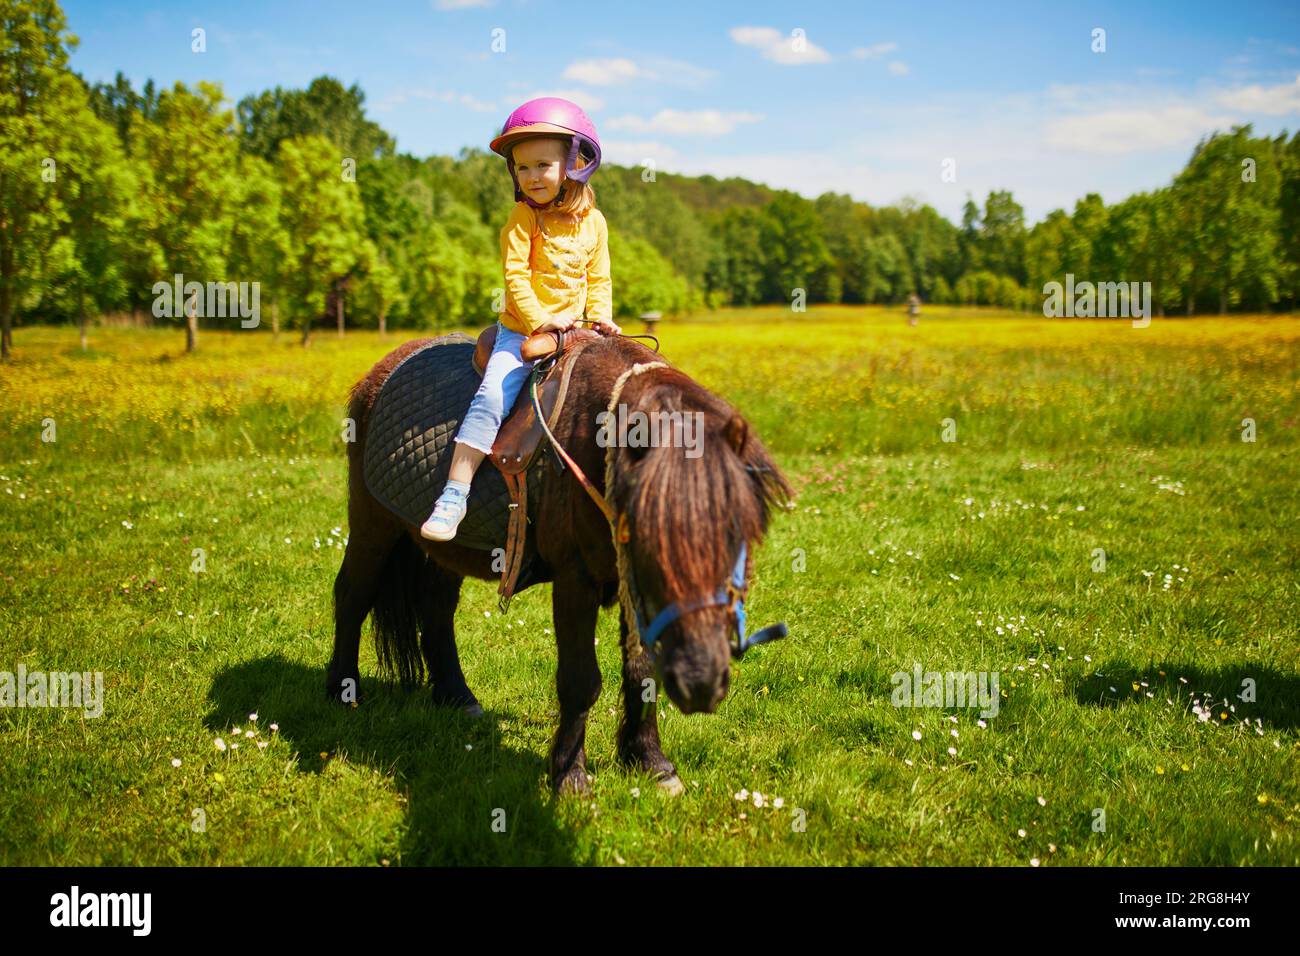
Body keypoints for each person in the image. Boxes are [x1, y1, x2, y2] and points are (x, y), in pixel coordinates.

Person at [421, 97, 621, 542]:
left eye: (542, 165)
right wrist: (540, 322)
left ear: (576, 163)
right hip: (521, 331)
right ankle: (455, 493)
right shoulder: (523, 216)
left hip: (575, 333)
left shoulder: (596, 222)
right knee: (493, 395)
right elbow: (515, 276)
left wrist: (601, 318)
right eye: (522, 168)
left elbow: (599, 276)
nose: (531, 177)